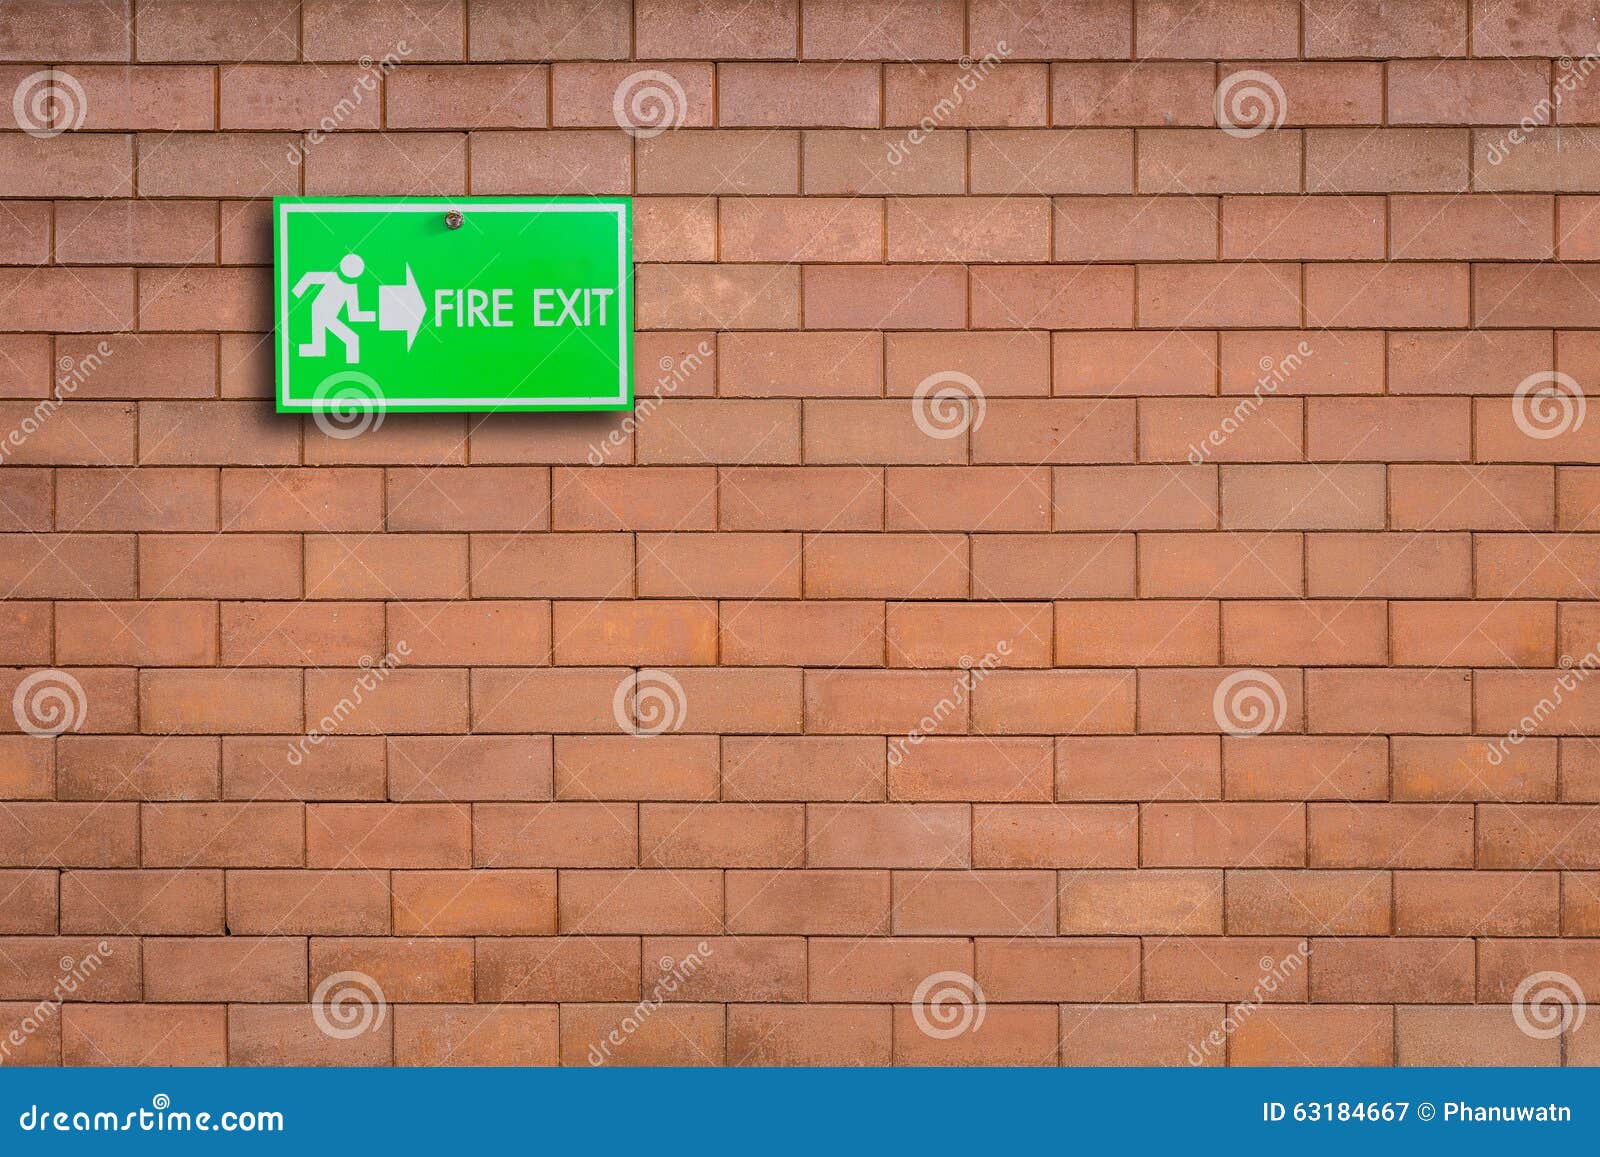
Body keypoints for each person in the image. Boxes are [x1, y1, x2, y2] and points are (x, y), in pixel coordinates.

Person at [294, 254, 374, 363]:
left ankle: (350, 367)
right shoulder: (332, 277)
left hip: (329, 316)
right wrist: (297, 292)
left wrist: (372, 316)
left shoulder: (351, 288)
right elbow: (309, 277)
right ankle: (349, 365)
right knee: (350, 340)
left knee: (350, 340)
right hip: (319, 311)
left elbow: (353, 315)